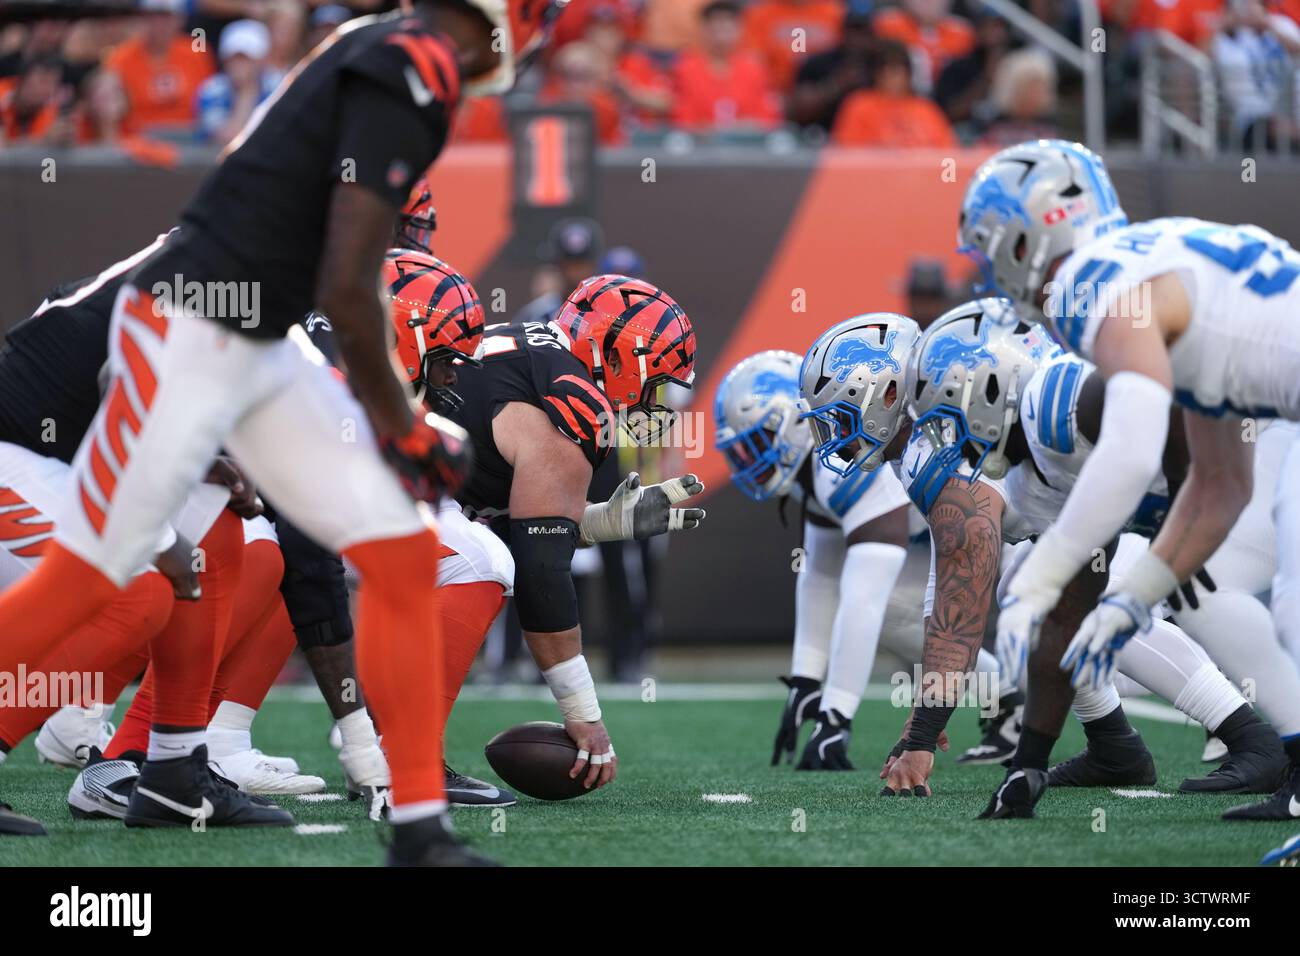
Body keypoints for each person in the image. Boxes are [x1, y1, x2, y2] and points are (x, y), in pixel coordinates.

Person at [0, 0, 564, 868]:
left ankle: (412, 827)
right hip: (188, 326)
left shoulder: (383, 52)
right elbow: (346, 281)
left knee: (401, 551)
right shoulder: (410, 63)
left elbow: (338, 273)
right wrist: (401, 427)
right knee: (96, 579)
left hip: (255, 334)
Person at [962, 139, 1300, 824]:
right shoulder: (1153, 260)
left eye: (992, 244)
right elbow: (1217, 488)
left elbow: (1128, 450)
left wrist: (1035, 580)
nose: (993, 265)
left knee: (1294, 610)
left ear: (1032, 233)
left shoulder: (1091, 285)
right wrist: (1133, 601)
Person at [872, 300, 1292, 809]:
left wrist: (1182, 523)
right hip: (1215, 471)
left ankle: (1252, 736)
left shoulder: (1059, 408)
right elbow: (969, 583)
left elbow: (961, 606)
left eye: (950, 416)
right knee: (1038, 593)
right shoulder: (1026, 462)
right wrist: (1020, 760)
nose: (953, 440)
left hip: (1252, 453)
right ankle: (1114, 744)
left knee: (1194, 595)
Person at [449, 275, 705, 790]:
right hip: (363, 496)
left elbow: (509, 523)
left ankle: (235, 742)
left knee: (470, 547)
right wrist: (583, 714)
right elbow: (540, 573)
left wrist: (594, 523)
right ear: (618, 360)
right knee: (481, 564)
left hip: (345, 481)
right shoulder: (574, 404)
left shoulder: (529, 345)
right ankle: (398, 756)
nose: (654, 399)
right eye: (654, 380)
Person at [717, 343, 1009, 770]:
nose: (749, 461)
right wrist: (804, 682)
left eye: (757, 442)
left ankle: (1012, 693)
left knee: (885, 610)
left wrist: (835, 716)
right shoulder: (818, 472)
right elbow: (818, 575)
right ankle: (1008, 693)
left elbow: (863, 598)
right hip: (946, 532)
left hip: (1001, 516)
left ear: (794, 424)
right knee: (880, 608)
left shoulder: (840, 464)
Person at [104, 0, 214, 136]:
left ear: (180, 19)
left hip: (191, 137)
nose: (159, 24)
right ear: (142, 18)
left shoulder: (197, 52)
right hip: (139, 138)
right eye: (153, 16)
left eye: (166, 16)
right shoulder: (120, 58)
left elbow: (211, 98)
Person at [671, 0, 780, 132]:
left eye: (727, 29)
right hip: (700, 147)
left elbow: (767, 119)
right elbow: (684, 120)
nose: (721, 37)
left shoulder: (754, 69)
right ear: (702, 30)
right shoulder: (686, 68)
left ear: (740, 30)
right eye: (715, 29)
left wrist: (740, 128)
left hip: (747, 146)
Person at [830, 39, 955, 147]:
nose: (889, 76)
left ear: (908, 73)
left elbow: (948, 155)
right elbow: (848, 153)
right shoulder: (859, 104)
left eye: (896, 70)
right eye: (884, 69)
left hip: (923, 173)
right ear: (875, 73)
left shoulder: (927, 109)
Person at [788, 2, 875, 135]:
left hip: (871, 141)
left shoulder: (880, 63)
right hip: (818, 136)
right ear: (843, 31)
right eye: (853, 32)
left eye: (864, 33)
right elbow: (796, 111)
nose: (857, 40)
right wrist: (836, 85)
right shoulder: (818, 63)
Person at [195, 18, 279, 146]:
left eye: (246, 59)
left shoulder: (278, 87)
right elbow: (228, 139)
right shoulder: (212, 89)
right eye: (234, 58)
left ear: (262, 60)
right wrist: (246, 92)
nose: (239, 65)